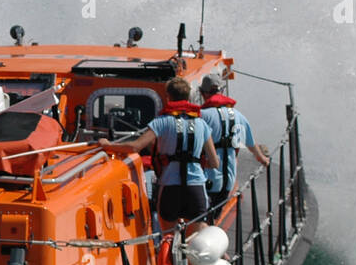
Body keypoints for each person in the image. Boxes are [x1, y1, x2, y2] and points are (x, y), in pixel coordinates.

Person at [103, 77, 218, 233]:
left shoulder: (161, 122)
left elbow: (135, 146)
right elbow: (215, 162)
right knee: (197, 237)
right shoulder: (202, 124)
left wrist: (109, 146)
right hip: (196, 188)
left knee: (168, 237)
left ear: (168, 97)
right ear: (188, 97)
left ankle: (168, 255)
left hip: (170, 187)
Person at [198, 74, 270, 217]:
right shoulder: (239, 116)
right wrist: (262, 159)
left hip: (206, 180)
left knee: (201, 218)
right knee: (215, 215)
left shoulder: (202, 116)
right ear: (222, 91)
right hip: (228, 181)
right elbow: (250, 143)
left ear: (203, 93)